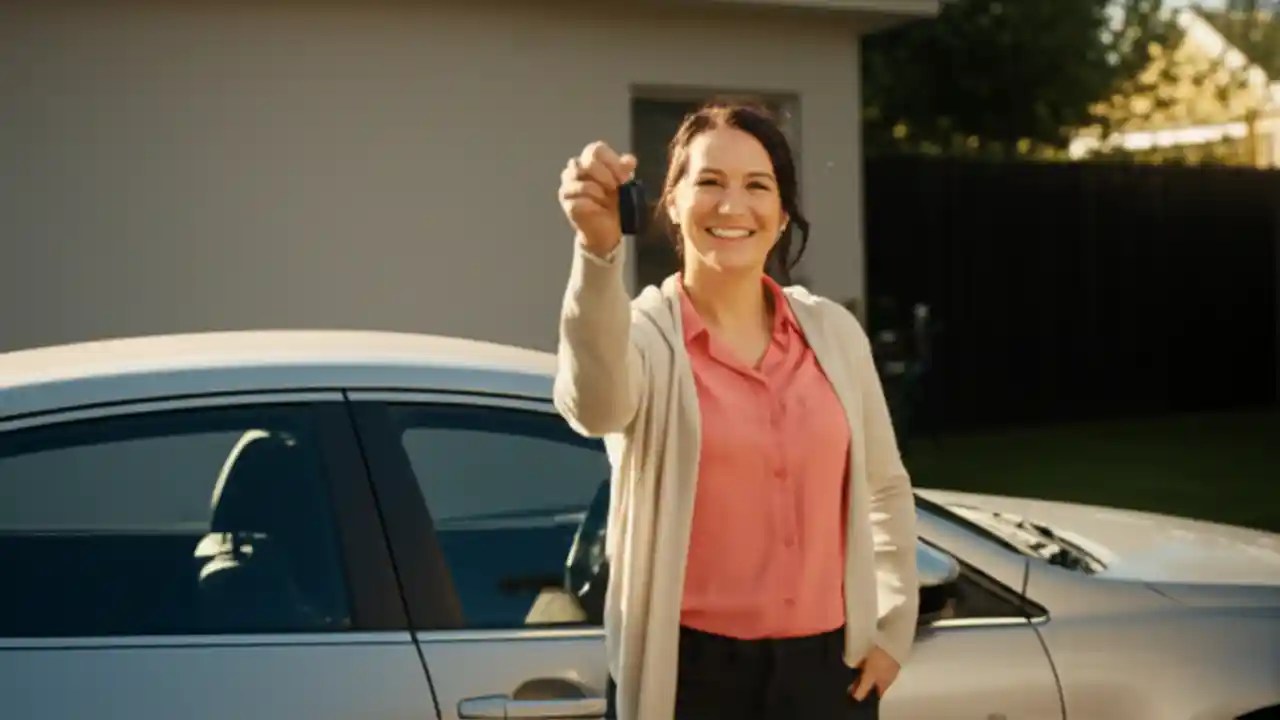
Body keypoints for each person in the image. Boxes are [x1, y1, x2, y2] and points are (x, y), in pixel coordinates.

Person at [553, 100, 919, 720]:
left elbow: (883, 487)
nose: (732, 205)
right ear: (670, 203)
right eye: (710, 182)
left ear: (781, 216)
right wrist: (596, 250)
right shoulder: (643, 336)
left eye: (757, 186)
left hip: (828, 674)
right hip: (690, 678)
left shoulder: (832, 334)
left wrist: (890, 628)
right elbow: (594, 407)